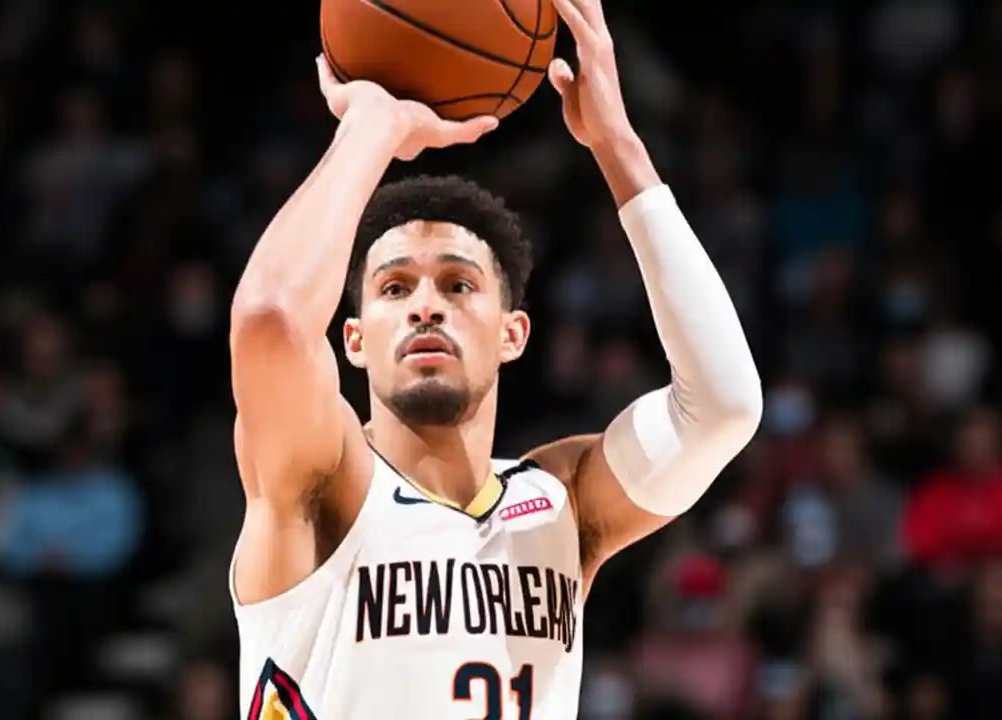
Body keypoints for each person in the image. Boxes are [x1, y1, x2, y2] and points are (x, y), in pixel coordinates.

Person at [227, 0, 762, 717]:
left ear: (513, 333)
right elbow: (270, 323)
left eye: (458, 284)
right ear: (352, 339)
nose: (425, 305)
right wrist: (372, 125)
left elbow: (724, 407)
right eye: (394, 288)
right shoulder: (325, 486)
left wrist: (618, 146)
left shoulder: (561, 504)